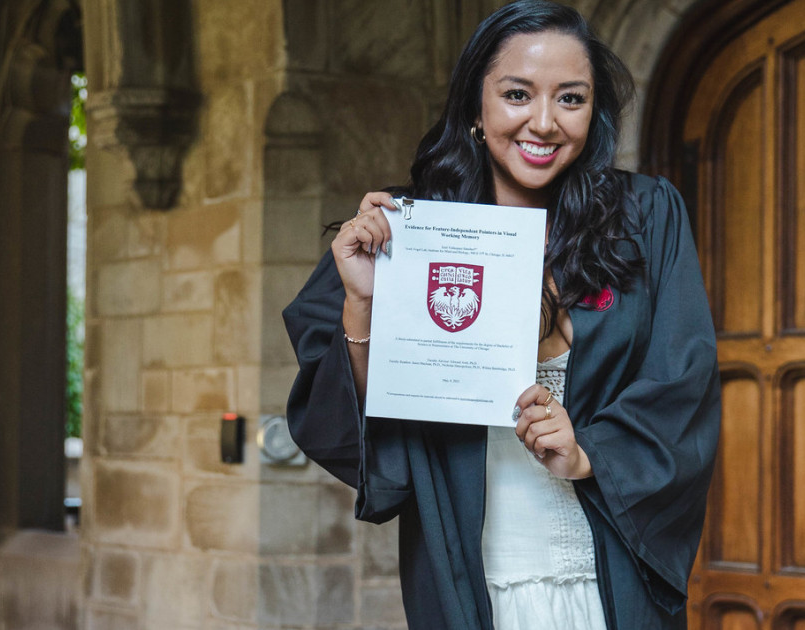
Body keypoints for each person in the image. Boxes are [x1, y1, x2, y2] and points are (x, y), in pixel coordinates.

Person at [282, 2, 721, 628]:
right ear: (476, 105)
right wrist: (364, 304)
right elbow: (347, 430)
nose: (543, 123)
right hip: (471, 578)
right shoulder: (409, 234)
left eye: (570, 98)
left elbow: (686, 382)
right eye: (518, 94)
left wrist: (589, 451)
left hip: (611, 581)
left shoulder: (646, 218)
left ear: (592, 111)